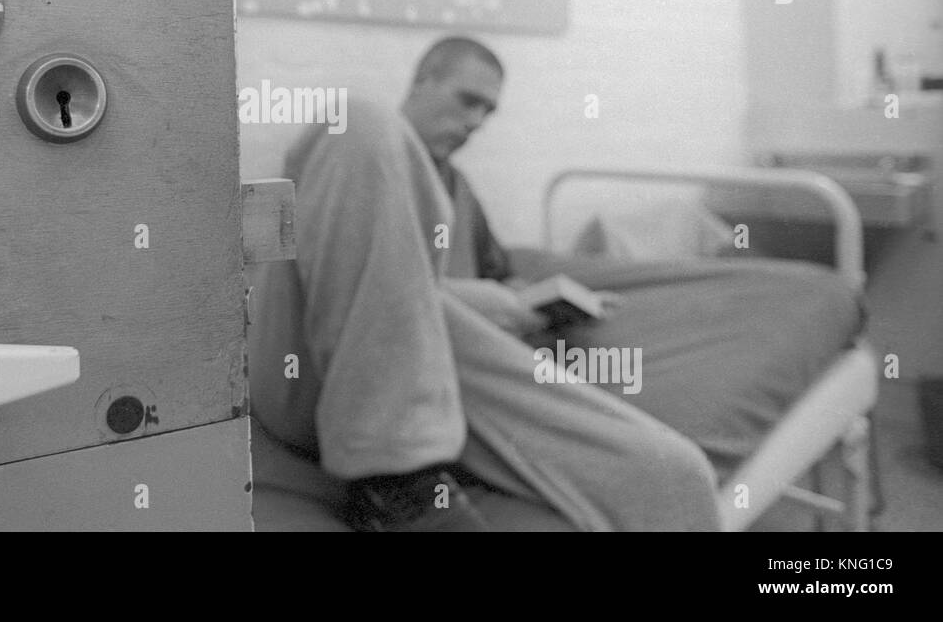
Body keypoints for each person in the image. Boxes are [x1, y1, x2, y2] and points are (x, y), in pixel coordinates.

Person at [247, 36, 728, 531]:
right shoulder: (353, 151)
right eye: (468, 101)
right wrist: (486, 301)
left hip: (443, 379)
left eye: (488, 112)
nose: (475, 122)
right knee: (357, 120)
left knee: (672, 472)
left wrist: (543, 302)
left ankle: (401, 469)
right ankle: (394, 480)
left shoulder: (463, 196)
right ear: (422, 82)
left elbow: (500, 279)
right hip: (310, 370)